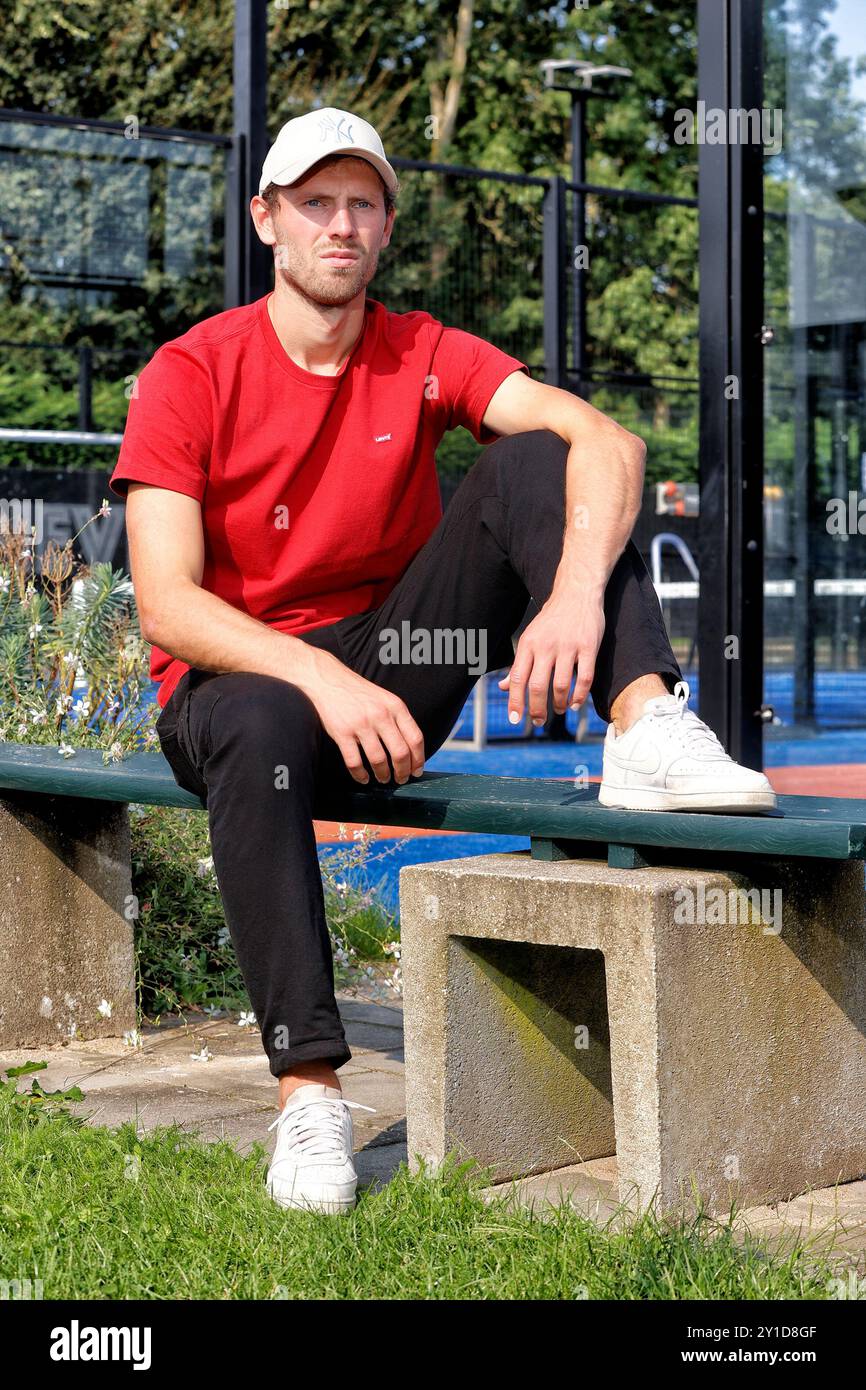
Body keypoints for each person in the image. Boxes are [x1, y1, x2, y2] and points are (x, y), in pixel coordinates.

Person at [109, 106, 776, 1216]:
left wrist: (566, 597)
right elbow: (170, 605)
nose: (339, 224)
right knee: (267, 719)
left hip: (389, 677)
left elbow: (610, 443)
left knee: (535, 457)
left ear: (384, 227)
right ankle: (310, 1093)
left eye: (361, 203)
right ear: (267, 219)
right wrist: (317, 675)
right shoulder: (192, 371)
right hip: (235, 693)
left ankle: (644, 723)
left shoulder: (419, 350)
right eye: (314, 202)